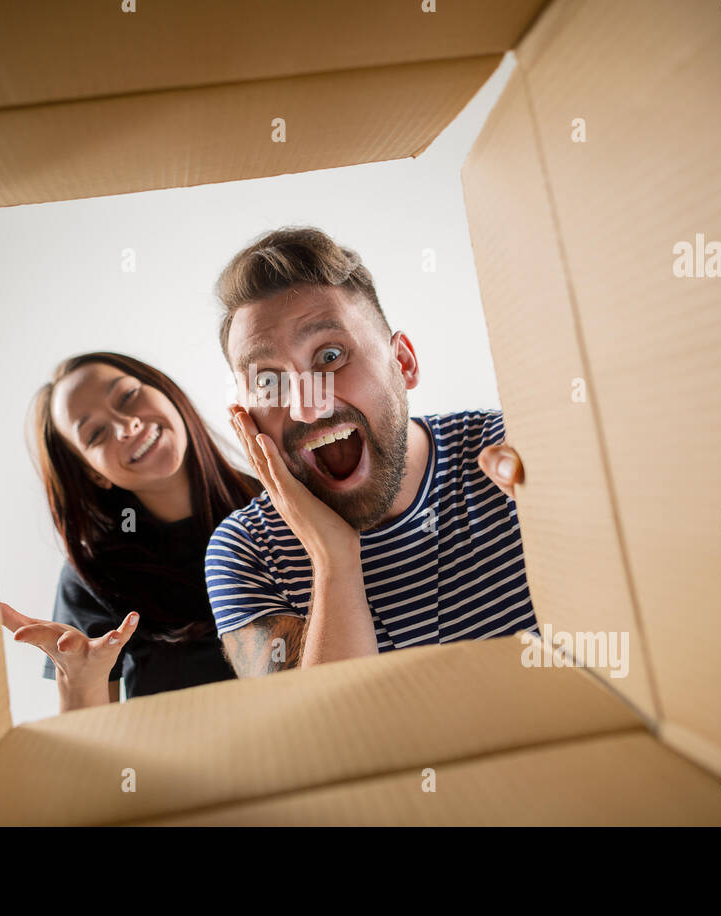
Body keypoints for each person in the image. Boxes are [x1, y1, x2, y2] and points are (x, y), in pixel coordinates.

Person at [206, 227, 533, 676]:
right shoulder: (247, 551)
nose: (307, 406)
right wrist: (333, 559)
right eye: (268, 381)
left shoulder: (518, 450)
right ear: (248, 417)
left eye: (330, 356)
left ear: (403, 363)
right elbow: (321, 738)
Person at [1, 352, 261, 711]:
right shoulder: (92, 576)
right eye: (95, 434)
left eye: (126, 397)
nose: (127, 427)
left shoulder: (292, 506)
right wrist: (81, 683)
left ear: (164, 390)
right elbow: (91, 749)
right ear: (94, 474)